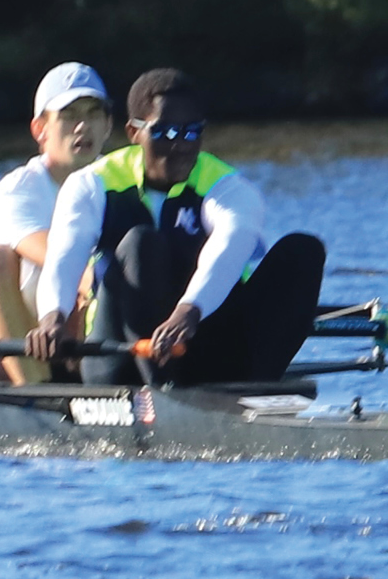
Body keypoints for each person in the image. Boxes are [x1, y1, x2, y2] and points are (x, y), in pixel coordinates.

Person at [26, 68, 327, 384]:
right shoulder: (91, 185)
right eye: (165, 133)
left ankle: (253, 387)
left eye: (192, 132)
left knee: (303, 250)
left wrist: (188, 312)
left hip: (201, 344)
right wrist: (52, 318)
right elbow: (65, 255)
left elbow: (231, 242)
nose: (181, 145)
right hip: (120, 357)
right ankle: (163, 388)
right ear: (133, 132)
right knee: (142, 243)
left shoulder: (229, 188)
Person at [0, 62, 111, 383]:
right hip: (0, 358)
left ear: (108, 126)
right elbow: (60, 257)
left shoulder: (118, 183)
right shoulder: (17, 190)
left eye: (93, 113)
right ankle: (37, 390)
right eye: (69, 115)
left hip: (69, 342)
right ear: (39, 130)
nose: (82, 126)